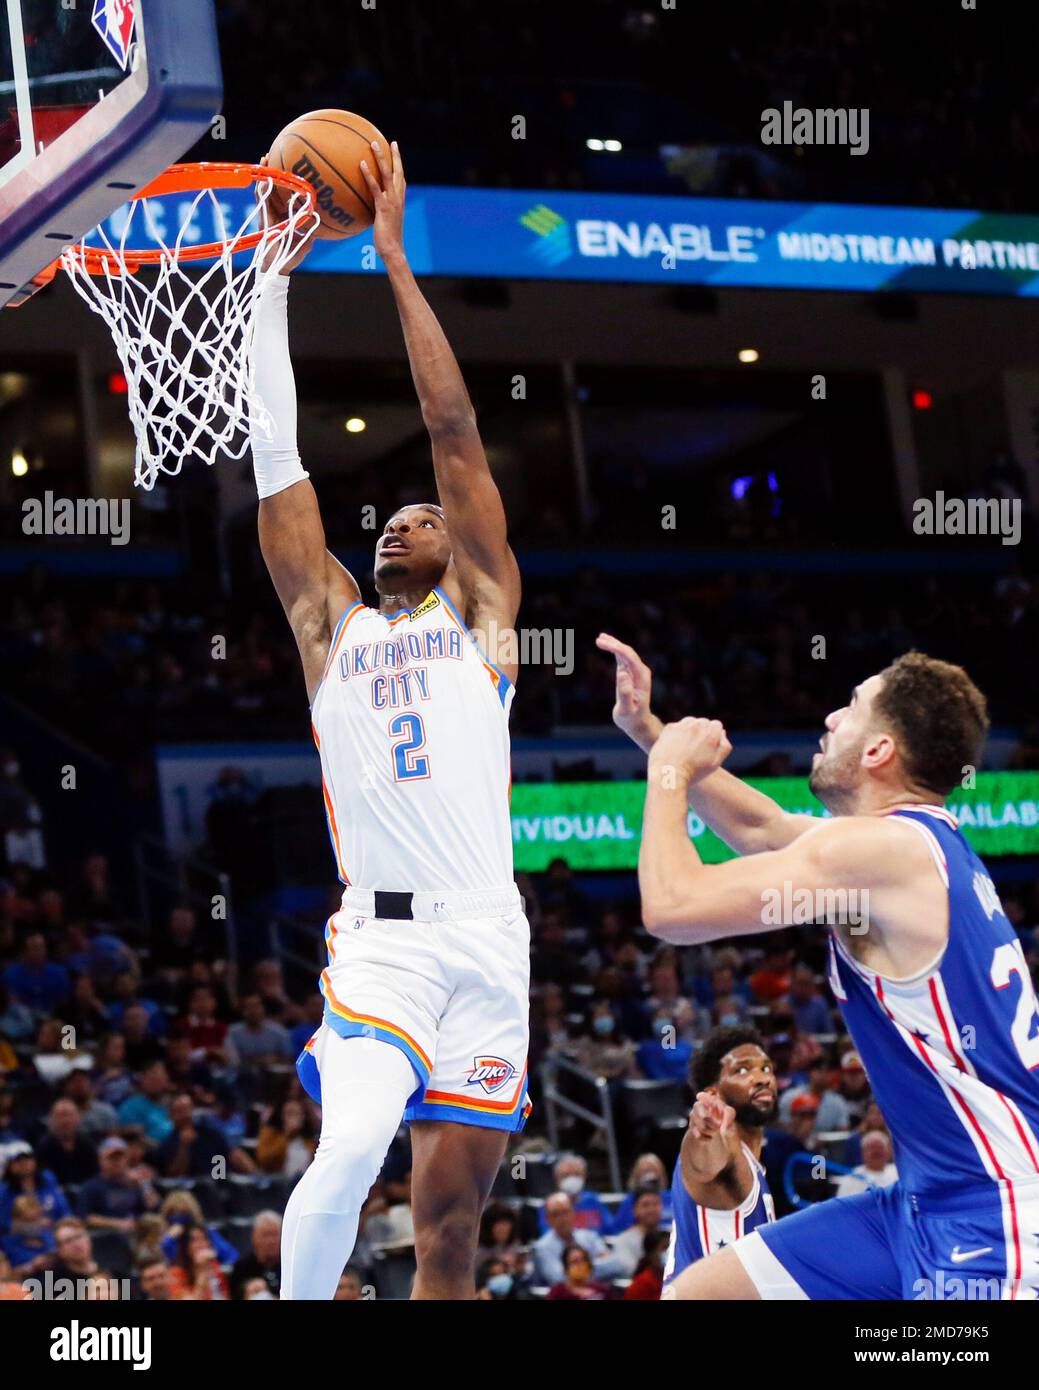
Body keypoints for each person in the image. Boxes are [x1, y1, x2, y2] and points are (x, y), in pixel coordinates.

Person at [256, 138, 529, 1302]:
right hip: (383, 940)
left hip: (489, 937)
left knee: (452, 1230)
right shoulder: (333, 624)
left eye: (421, 519)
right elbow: (277, 467)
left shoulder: (482, 610)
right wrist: (265, 282)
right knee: (352, 1144)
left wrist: (392, 263)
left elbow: (455, 431)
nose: (399, 528)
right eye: (389, 523)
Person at [602, 635, 1039, 1300]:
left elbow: (671, 907)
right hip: (916, 1203)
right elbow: (760, 829)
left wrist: (667, 771)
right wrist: (648, 732)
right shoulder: (906, 843)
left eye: (851, 707)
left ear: (877, 751)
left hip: (995, 1214)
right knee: (695, 1294)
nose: (831, 718)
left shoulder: (886, 852)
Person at [659, 1028, 777, 1296]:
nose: (761, 1078)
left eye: (766, 1068)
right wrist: (703, 1133)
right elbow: (705, 1162)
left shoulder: (754, 1167)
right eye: (743, 1071)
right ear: (713, 1092)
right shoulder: (723, 1149)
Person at [531, 1192, 624, 1286]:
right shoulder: (542, 1247)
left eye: (565, 1212)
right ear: (548, 1219)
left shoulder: (590, 1237)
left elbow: (615, 1265)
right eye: (556, 1214)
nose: (562, 1218)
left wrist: (574, 1270)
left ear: (573, 1212)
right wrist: (594, 1265)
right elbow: (558, 1279)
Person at [77, 1136, 156, 1232]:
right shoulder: (91, 1187)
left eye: (120, 1158)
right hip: (108, 1236)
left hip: (138, 1233)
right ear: (101, 1160)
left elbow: (153, 1208)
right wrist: (118, 1223)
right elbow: (84, 1218)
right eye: (111, 1158)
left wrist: (145, 1185)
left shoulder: (135, 1184)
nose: (117, 1162)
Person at [535, 1154, 611, 1233]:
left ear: (584, 1176)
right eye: (566, 1175)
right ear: (557, 1178)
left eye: (576, 1174)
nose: (572, 1179)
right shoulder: (550, 1205)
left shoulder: (593, 1200)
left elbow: (611, 1229)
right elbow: (547, 1236)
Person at [34, 1099, 98, 1187]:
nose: (65, 1121)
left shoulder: (88, 1144)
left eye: (69, 1115)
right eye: (60, 1116)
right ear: (52, 1119)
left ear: (78, 1118)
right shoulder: (44, 1147)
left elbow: (95, 1176)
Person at [608, 1153, 674, 1233]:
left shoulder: (673, 1198)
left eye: (654, 1170)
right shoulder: (630, 1201)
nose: (650, 1174)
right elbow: (618, 1229)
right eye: (645, 1171)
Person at [608, 1186, 665, 1277]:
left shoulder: (671, 1236)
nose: (651, 1209)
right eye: (645, 1205)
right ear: (635, 1210)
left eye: (656, 1204)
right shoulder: (623, 1240)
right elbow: (631, 1271)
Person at [255, 1097, 318, 1176]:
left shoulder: (309, 1141)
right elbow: (264, 1160)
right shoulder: (269, 1133)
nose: (295, 1118)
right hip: (277, 1182)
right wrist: (287, 1135)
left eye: (298, 1114)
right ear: (281, 1115)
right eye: (290, 1114)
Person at [168, 1222, 229, 1300]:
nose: (201, 1244)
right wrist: (202, 1272)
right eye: (195, 1240)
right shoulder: (175, 1273)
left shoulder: (215, 1267)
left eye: (204, 1239)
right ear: (185, 1246)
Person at [229, 1210, 282, 1300]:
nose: (271, 1241)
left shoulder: (290, 1266)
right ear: (254, 1237)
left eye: (274, 1234)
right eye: (265, 1235)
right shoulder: (241, 1268)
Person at [835, 1130, 899, 1197]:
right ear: (863, 1152)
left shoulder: (899, 1173)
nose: (876, 1152)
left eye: (880, 1147)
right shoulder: (852, 1177)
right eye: (871, 1147)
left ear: (889, 1151)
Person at [546, 1243, 617, 1300]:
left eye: (584, 1260)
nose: (580, 1265)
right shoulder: (558, 1292)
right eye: (574, 1261)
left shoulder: (603, 1289)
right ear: (566, 1268)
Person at [624, 1230, 672, 1300]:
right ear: (651, 1254)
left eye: (672, 1248)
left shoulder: (679, 1279)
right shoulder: (641, 1284)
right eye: (665, 1248)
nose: (669, 1252)